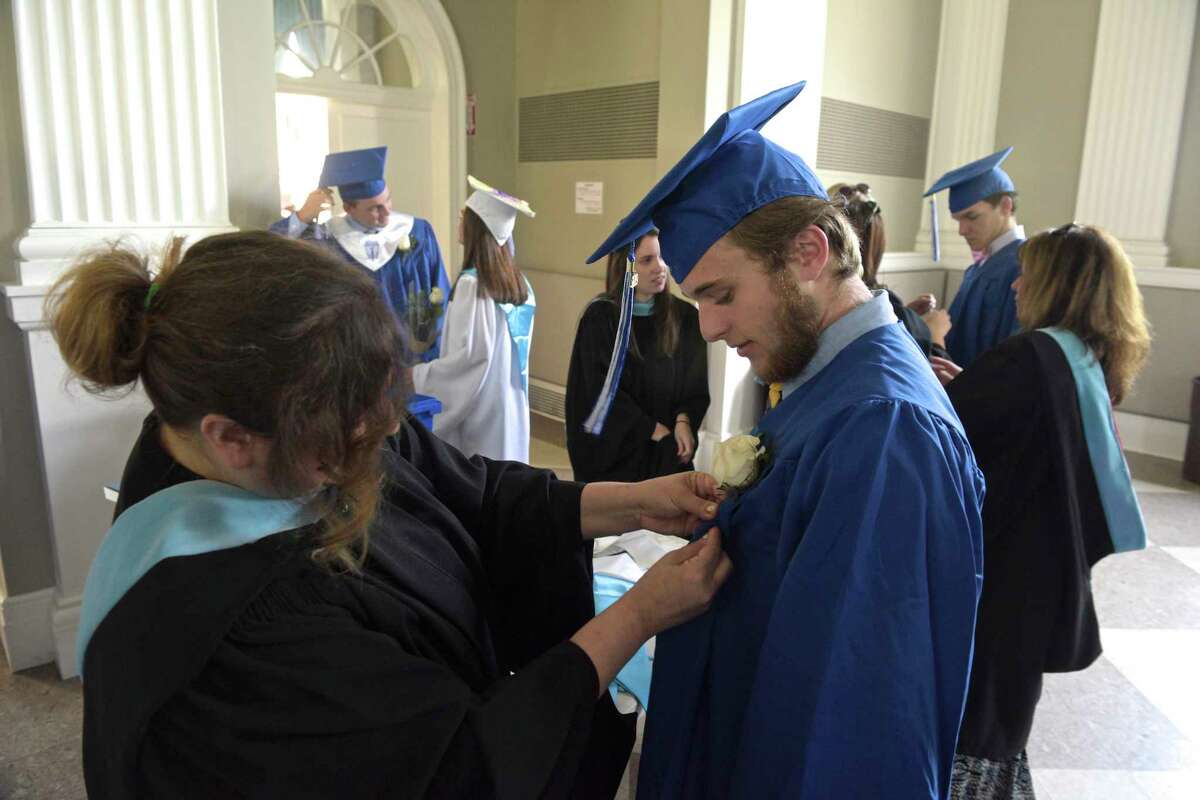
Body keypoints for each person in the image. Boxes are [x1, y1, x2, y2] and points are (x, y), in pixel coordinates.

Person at [51, 231, 733, 799]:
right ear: (231, 438)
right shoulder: (220, 639)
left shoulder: (315, 418)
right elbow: (457, 769)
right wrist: (639, 614)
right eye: (354, 427)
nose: (380, 434)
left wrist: (636, 503)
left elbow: (477, 494)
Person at [586, 82, 986, 799]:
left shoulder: (886, 430)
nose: (708, 328)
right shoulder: (827, 381)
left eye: (721, 294)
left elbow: (855, 725)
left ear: (809, 252)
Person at [929, 224, 1151, 799]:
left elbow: (948, 435)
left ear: (1060, 284)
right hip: (1035, 579)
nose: (1017, 285)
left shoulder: (1029, 356)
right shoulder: (1076, 354)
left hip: (1003, 585)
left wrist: (932, 345)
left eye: (1033, 273)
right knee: (1002, 722)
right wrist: (971, 384)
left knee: (976, 726)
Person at [270, 146, 451, 362]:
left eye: (388, 201)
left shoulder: (418, 232)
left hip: (414, 358)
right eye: (374, 209)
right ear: (349, 208)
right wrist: (303, 215)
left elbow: (439, 292)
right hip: (356, 357)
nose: (386, 214)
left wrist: (438, 353)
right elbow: (271, 247)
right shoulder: (327, 239)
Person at [565, 226, 709, 482]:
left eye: (662, 257)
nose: (659, 267)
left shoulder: (686, 318)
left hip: (666, 448)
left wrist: (684, 421)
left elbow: (694, 383)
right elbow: (596, 391)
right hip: (618, 451)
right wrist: (649, 429)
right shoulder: (602, 318)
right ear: (627, 269)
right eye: (646, 260)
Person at [412, 176, 537, 462]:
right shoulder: (520, 284)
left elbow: (469, 361)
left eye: (462, 217)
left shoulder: (473, 285)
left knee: (482, 486)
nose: (459, 222)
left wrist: (417, 376)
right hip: (509, 408)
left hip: (481, 418)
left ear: (476, 227)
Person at [924, 146, 1026, 366]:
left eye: (972, 217)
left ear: (1005, 206)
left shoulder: (1023, 266)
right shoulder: (979, 268)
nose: (962, 230)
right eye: (958, 220)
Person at [827, 181, 946, 357]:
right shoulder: (884, 309)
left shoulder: (810, 303)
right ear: (876, 246)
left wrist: (907, 313)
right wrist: (935, 335)